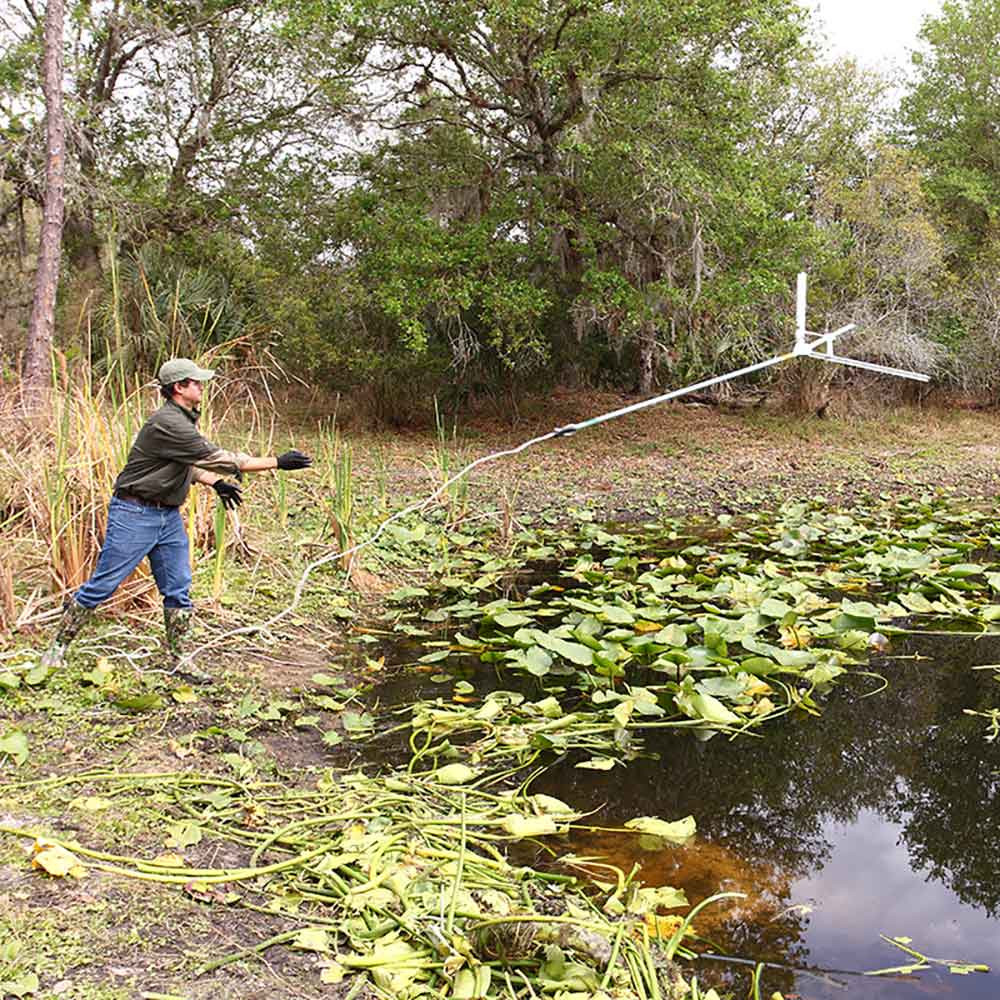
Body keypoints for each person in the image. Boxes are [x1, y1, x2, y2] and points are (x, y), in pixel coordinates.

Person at [40, 358, 313, 681]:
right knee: (104, 584)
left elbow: (186, 463)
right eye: (196, 382)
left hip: (167, 516)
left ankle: (181, 659)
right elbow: (218, 458)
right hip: (134, 514)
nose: (202, 386)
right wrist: (277, 462)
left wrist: (215, 483)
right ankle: (55, 650)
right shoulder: (169, 422)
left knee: (178, 588)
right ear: (179, 387)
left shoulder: (183, 419)